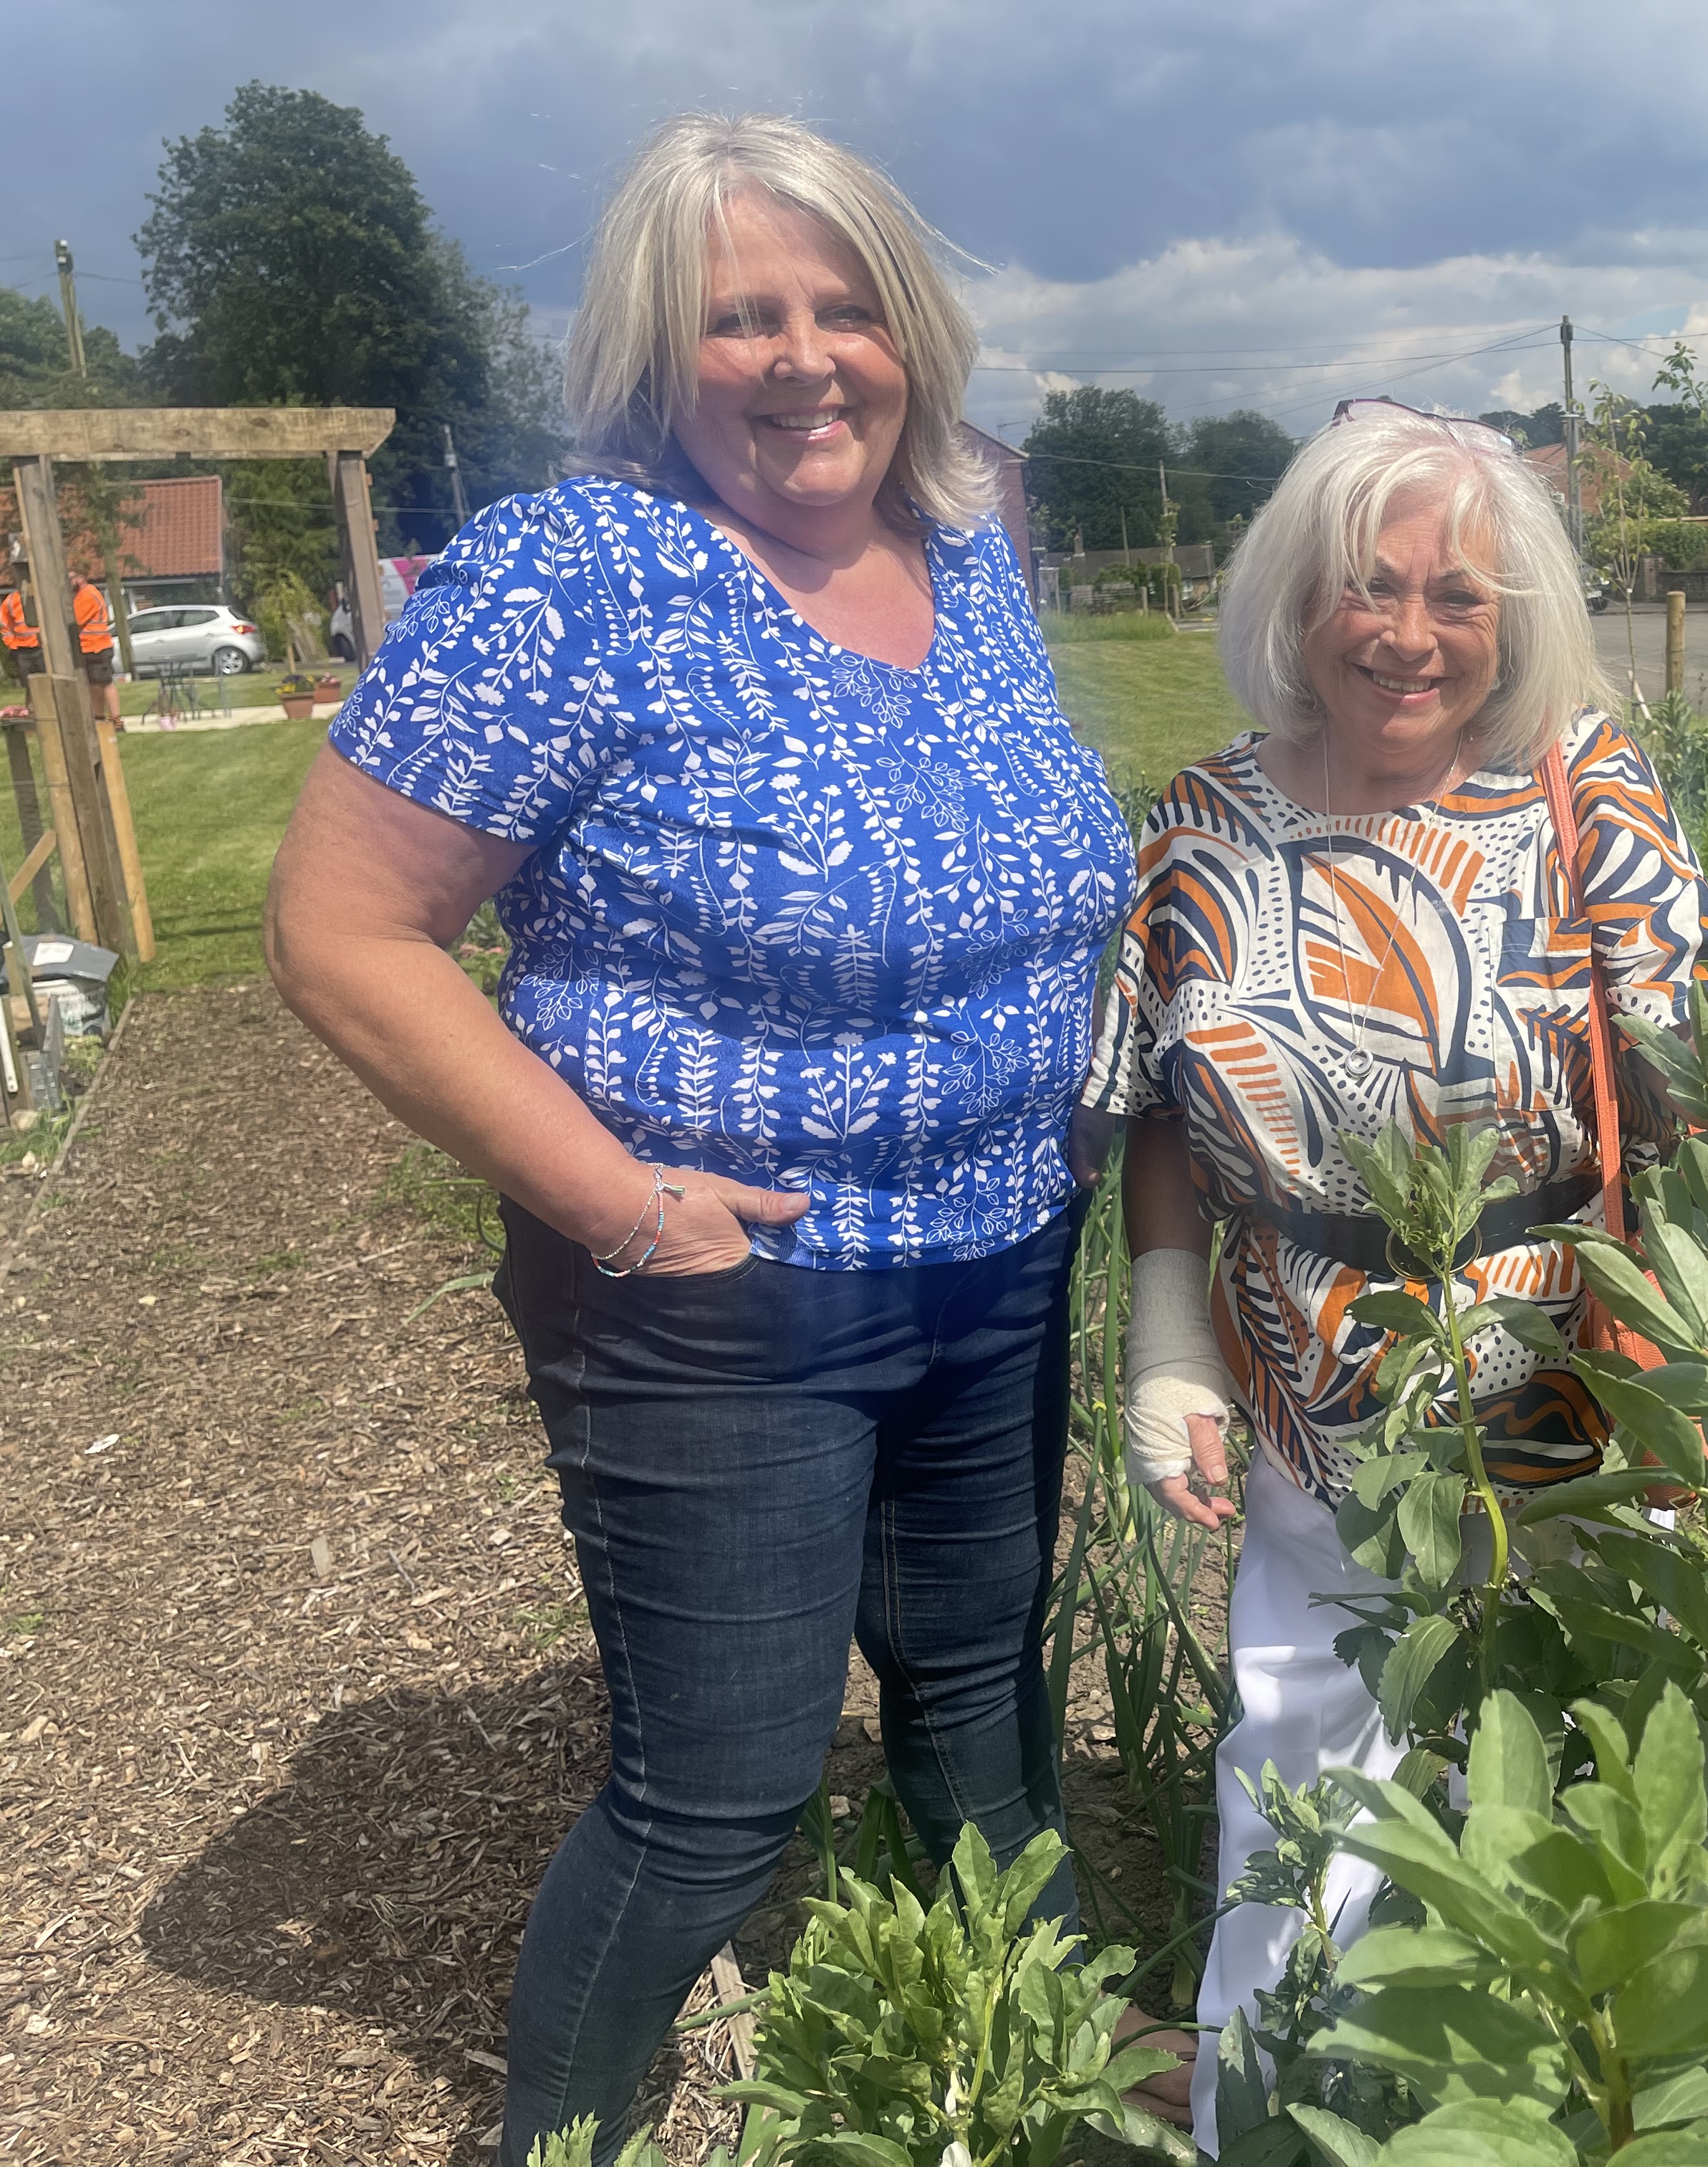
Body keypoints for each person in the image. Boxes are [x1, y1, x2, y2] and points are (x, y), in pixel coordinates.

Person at [262, 112, 1134, 2163]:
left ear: (912, 335)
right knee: (721, 1789)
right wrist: (622, 1204)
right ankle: (554, 2137)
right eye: (742, 319)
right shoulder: (575, 575)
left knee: (979, 1712)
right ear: (658, 356)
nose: (804, 358)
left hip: (999, 1259)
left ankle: (1046, 2081)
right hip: (715, 1302)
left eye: (847, 310)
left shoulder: (970, 546)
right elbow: (341, 932)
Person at [1080, 400, 1708, 2153]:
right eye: (1370, 584)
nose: (1408, 634)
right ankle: (1277, 2110)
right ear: (1301, 593)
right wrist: (1171, 1337)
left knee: (1584, 1737)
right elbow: (1168, 1116)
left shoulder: (1582, 792)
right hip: (1309, 1383)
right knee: (1299, 1757)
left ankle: (1593, 2096)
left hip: (1566, 1379)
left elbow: (1696, 1037)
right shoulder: (1200, 825)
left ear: (1512, 625)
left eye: (1459, 598)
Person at [68, 569, 120, 728]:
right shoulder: (80, 595)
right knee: (94, 684)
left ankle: (116, 719)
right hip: (89, 647)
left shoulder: (87, 594)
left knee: (105, 683)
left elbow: (75, 619)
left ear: (81, 578)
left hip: (98, 646)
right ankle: (98, 716)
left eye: (70, 578)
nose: (67, 583)